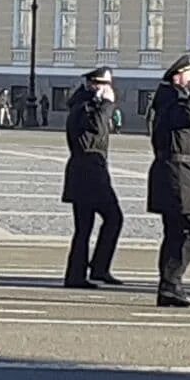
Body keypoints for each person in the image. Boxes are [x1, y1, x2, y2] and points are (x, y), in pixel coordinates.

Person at [147, 55, 190, 308]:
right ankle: (171, 282)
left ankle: (170, 286)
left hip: (178, 170)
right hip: (176, 171)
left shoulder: (172, 99)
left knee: (175, 231)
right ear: (178, 77)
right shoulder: (173, 100)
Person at [62, 68, 124, 289]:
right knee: (109, 219)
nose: (108, 90)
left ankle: (93, 269)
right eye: (104, 85)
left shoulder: (87, 105)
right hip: (87, 173)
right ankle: (82, 273)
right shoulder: (83, 107)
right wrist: (106, 104)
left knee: (91, 225)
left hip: (90, 171)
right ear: (93, 86)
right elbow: (97, 127)